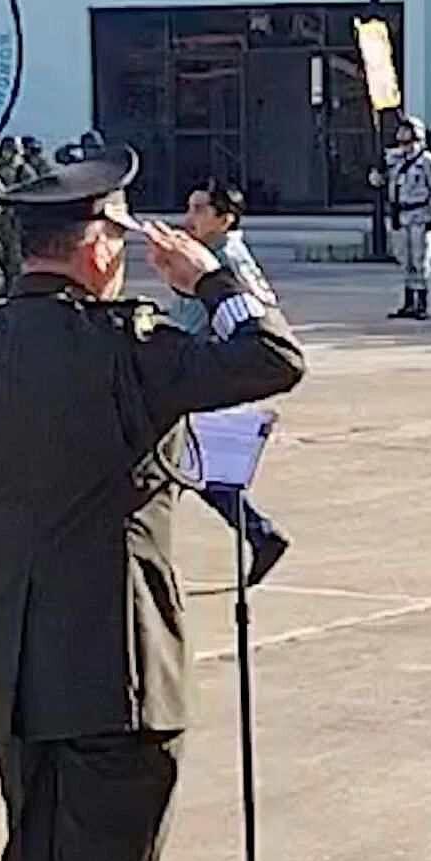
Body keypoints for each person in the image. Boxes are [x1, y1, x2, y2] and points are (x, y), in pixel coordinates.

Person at [0, 147, 306, 861]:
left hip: (12, 672)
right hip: (117, 671)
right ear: (95, 246)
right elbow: (275, 357)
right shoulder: (127, 345)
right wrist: (207, 278)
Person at [175, 177, 294, 586]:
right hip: (212, 367)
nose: (188, 218)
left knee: (175, 462)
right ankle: (259, 534)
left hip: (208, 368)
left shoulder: (221, 262)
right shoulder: (216, 252)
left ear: (224, 219)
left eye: (199, 210)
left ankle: (260, 534)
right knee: (191, 466)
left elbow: (201, 322)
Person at [371, 114, 431, 321]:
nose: (403, 137)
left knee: (420, 260)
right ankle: (408, 301)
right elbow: (376, 181)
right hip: (400, 215)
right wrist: (378, 167)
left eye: (407, 133)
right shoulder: (393, 159)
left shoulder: (427, 162)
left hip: (420, 215)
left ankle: (421, 302)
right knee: (404, 260)